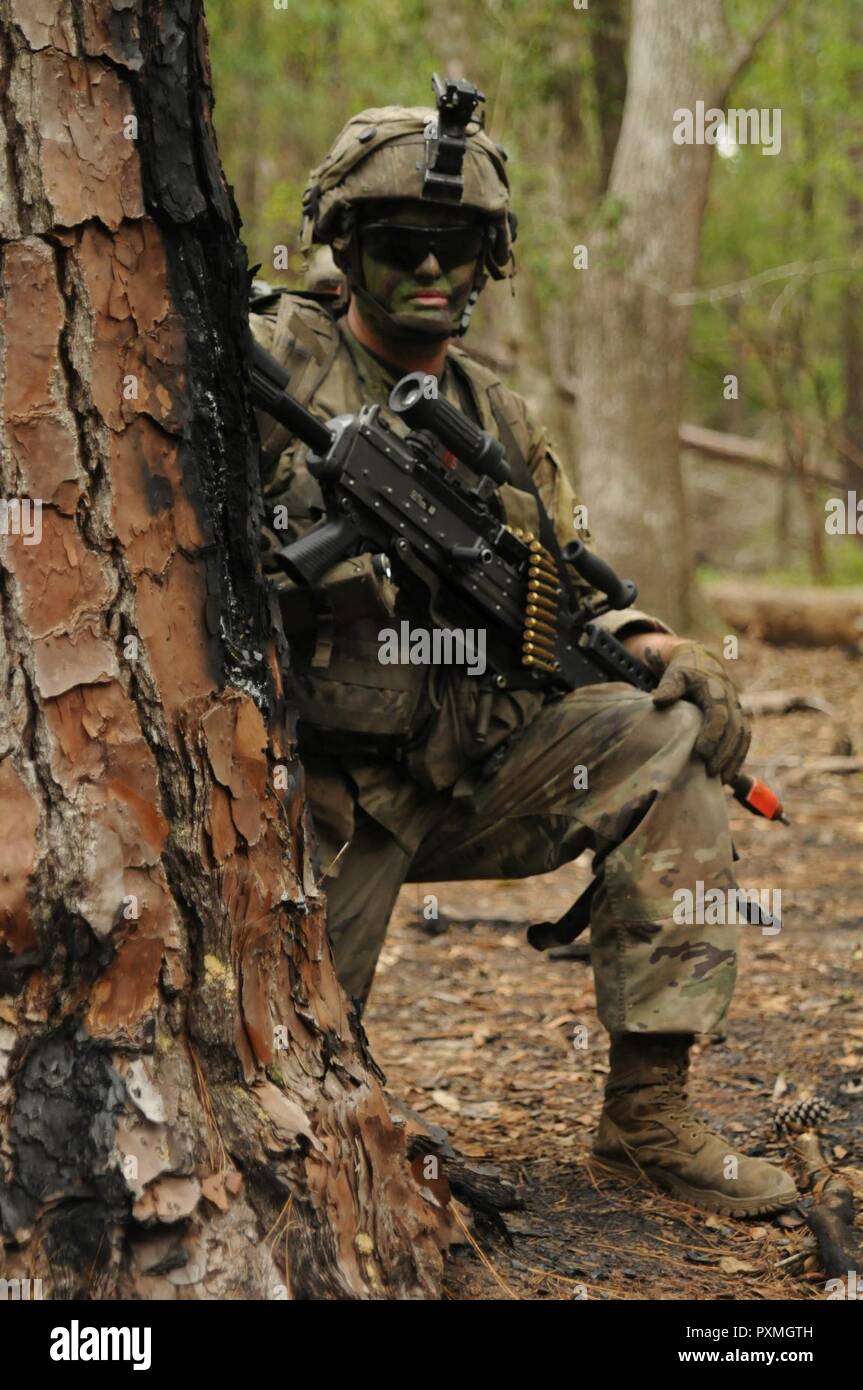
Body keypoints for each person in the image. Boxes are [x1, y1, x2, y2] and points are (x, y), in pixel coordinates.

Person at [249, 79, 797, 1217]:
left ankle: (646, 1120)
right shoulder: (274, 363)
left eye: (458, 247)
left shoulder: (498, 419)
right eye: (401, 245)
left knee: (671, 733)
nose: (432, 273)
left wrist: (646, 638)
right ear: (345, 250)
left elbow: (560, 582)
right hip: (307, 802)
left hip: (464, 774)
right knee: (293, 1097)